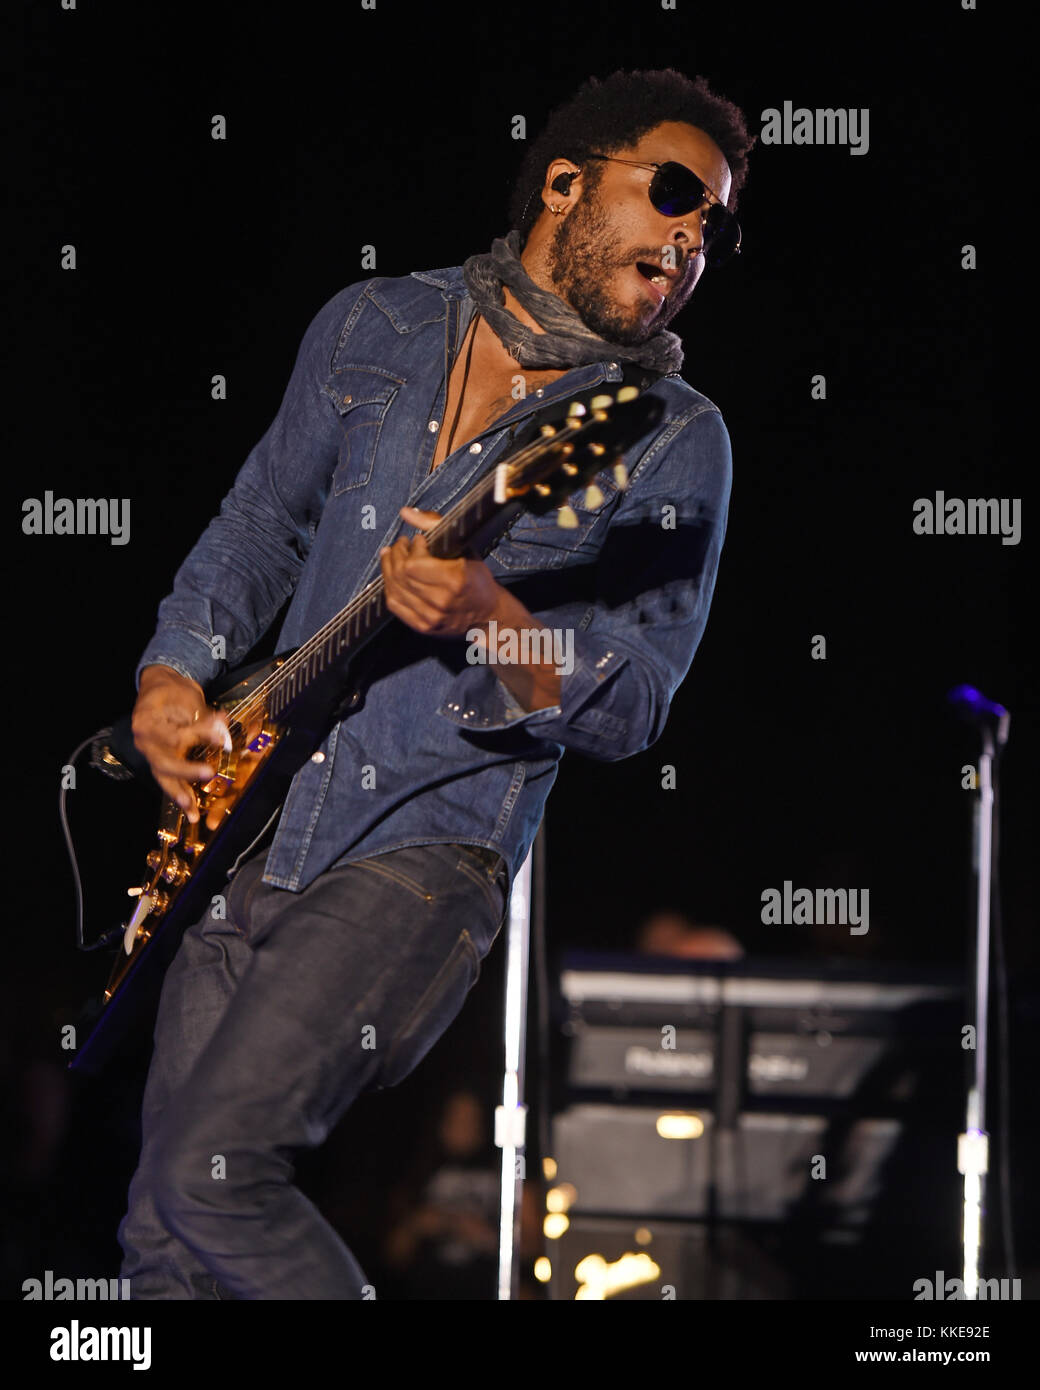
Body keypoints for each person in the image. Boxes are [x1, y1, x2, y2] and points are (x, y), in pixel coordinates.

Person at [117, 67, 754, 1299]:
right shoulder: (374, 324)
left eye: (715, 225)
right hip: (241, 828)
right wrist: (167, 680)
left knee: (215, 1174)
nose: (690, 235)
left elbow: (628, 706)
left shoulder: (672, 435)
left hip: (420, 849)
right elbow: (259, 527)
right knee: (159, 1237)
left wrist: (492, 615)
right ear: (565, 182)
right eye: (672, 192)